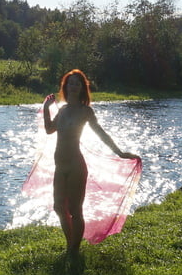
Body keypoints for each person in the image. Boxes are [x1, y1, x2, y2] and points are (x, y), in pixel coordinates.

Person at [42, 69, 139, 253]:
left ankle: (73, 250)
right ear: (66, 86)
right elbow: (49, 130)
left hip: (76, 166)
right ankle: (70, 245)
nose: (73, 86)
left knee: (75, 211)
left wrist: (119, 152)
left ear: (82, 88)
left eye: (78, 83)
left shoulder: (85, 111)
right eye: (71, 83)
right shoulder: (62, 110)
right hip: (59, 166)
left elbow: (101, 133)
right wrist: (46, 108)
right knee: (58, 207)